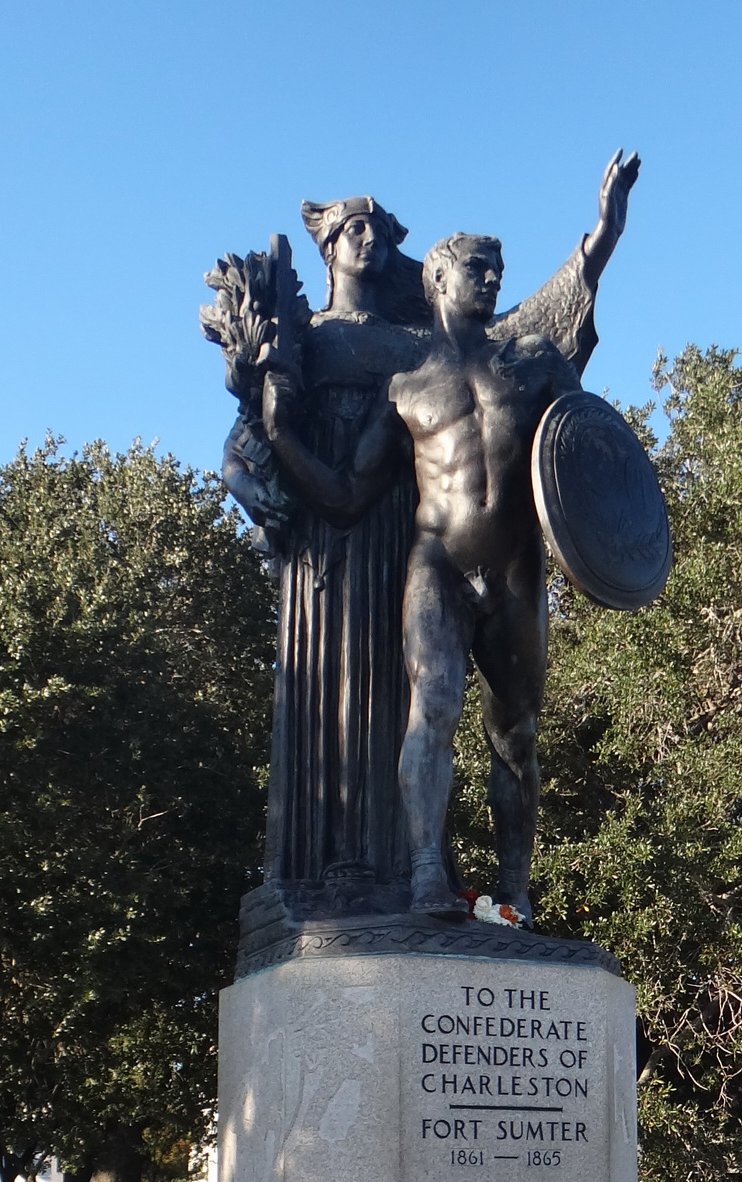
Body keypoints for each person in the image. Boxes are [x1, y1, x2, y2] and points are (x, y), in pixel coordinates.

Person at [264, 153, 639, 921]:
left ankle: (515, 894)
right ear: (438, 277)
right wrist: (277, 436)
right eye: (477, 266)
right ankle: (429, 873)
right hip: (437, 563)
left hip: (516, 566)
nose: (492, 279)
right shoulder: (403, 384)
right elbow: (347, 496)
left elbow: (590, 444)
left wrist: (605, 229)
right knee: (431, 708)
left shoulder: (533, 361)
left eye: (497, 269)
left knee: (517, 734)